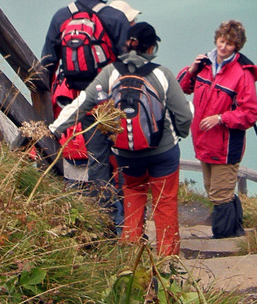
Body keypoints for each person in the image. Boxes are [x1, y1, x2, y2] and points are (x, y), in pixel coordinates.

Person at [52, 21, 191, 255]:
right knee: (165, 204)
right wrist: (179, 135)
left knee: (133, 201)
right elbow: (184, 115)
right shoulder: (162, 73)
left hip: (127, 154)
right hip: (162, 152)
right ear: (151, 48)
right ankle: (167, 264)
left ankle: (131, 260)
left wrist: (54, 129)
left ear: (127, 45)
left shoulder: (110, 72)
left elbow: (81, 104)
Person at [36, 0, 131, 212]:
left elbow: (46, 65)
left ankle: (90, 218)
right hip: (108, 103)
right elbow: (128, 67)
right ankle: (117, 222)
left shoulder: (61, 17)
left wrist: (44, 108)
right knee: (113, 160)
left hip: (74, 101)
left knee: (85, 160)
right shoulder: (115, 18)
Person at [179, 19, 257, 238]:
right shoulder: (204, 65)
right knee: (215, 191)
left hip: (226, 145)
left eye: (230, 44)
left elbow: (250, 113)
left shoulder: (243, 74)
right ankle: (237, 232)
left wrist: (221, 118)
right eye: (221, 41)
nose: (223, 47)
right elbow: (182, 88)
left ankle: (223, 240)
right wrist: (192, 70)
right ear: (216, 38)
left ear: (237, 47)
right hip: (204, 140)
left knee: (220, 195)